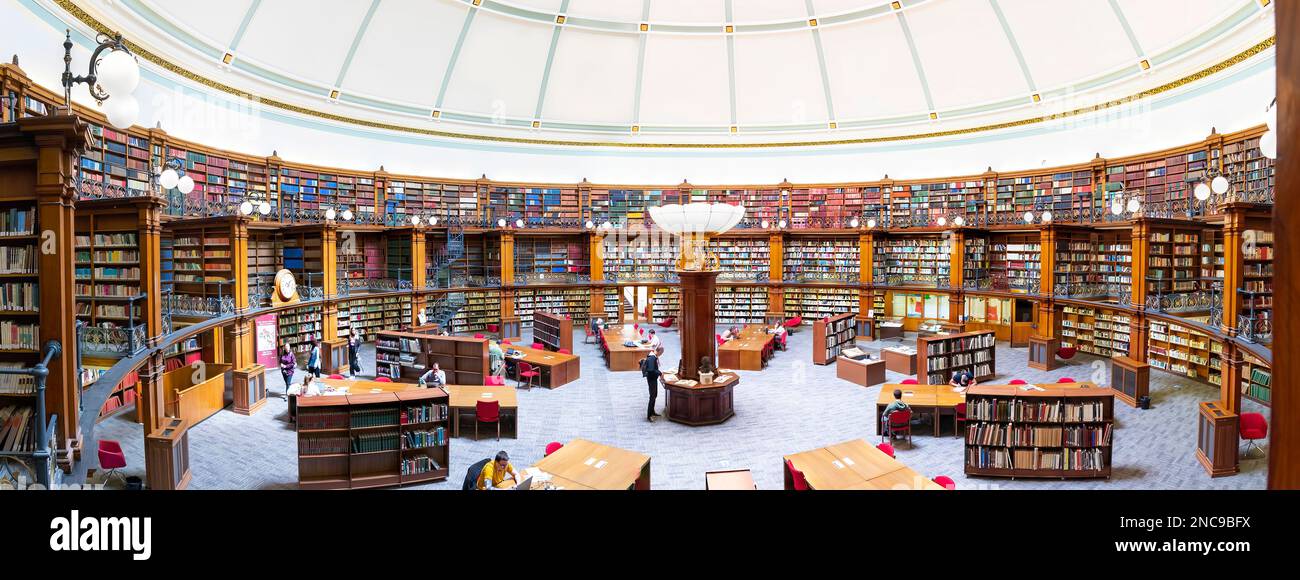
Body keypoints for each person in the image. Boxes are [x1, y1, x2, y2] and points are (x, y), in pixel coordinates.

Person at [640, 349, 662, 421]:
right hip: (651, 379)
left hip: (652, 379)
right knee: (652, 396)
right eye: (660, 354)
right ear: (658, 352)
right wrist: (660, 373)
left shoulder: (652, 356)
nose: (660, 355)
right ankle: (649, 415)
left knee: (654, 395)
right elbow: (651, 370)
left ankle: (652, 411)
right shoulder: (652, 358)